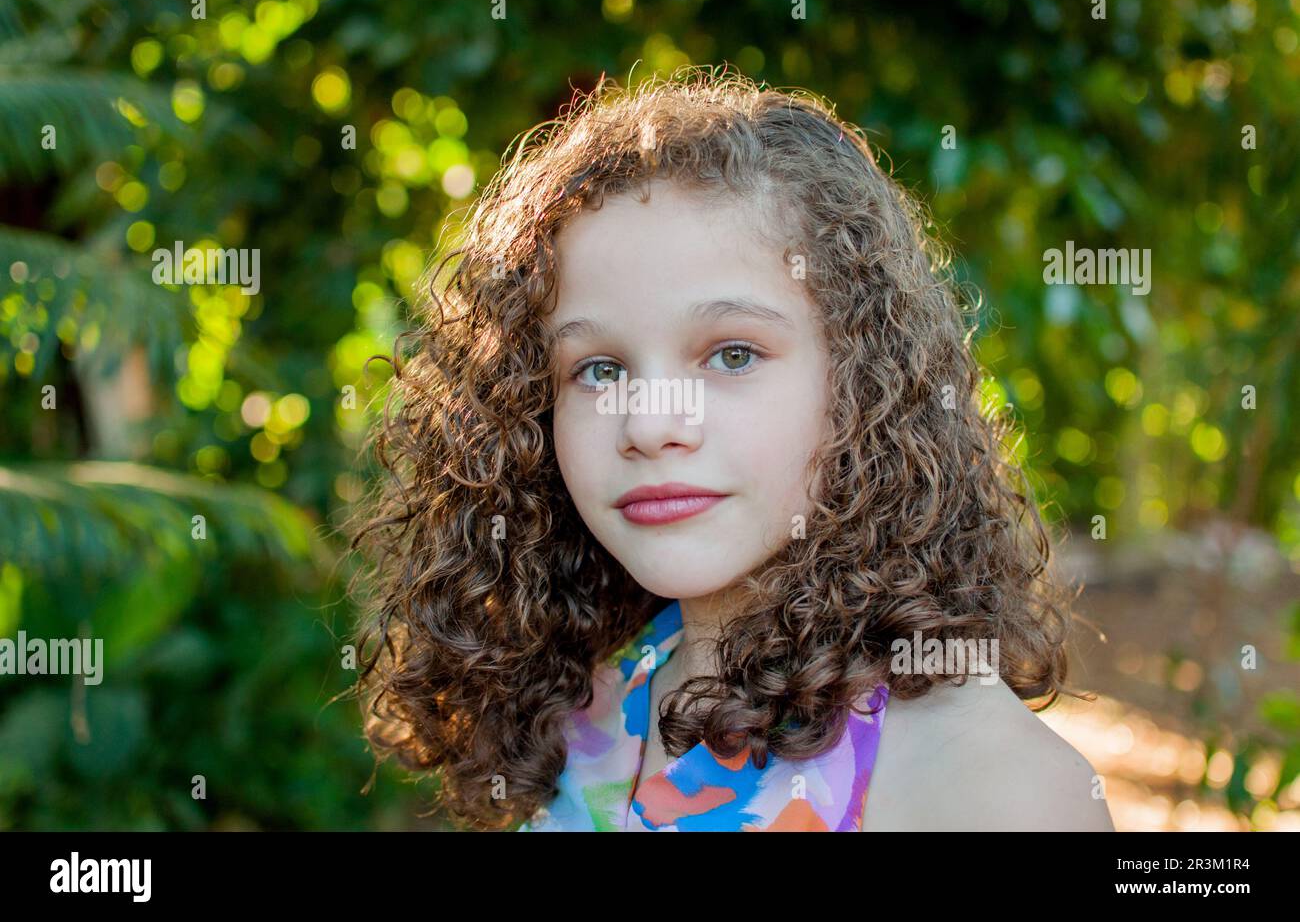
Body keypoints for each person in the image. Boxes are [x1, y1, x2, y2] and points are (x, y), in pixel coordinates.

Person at [349, 66, 1115, 832]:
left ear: (864, 380)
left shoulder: (986, 785)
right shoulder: (586, 711)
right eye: (600, 369)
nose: (649, 423)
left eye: (732, 354)